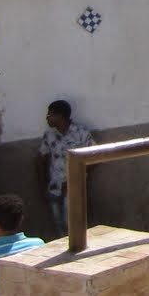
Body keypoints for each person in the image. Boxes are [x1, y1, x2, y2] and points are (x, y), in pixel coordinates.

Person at [36, 100, 94, 236]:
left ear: (61, 116)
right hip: (54, 187)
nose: (47, 118)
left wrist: (78, 176)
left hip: (74, 187)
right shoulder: (49, 135)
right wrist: (42, 185)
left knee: (74, 224)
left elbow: (95, 157)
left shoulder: (81, 133)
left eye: (50, 114)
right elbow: (41, 159)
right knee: (59, 225)